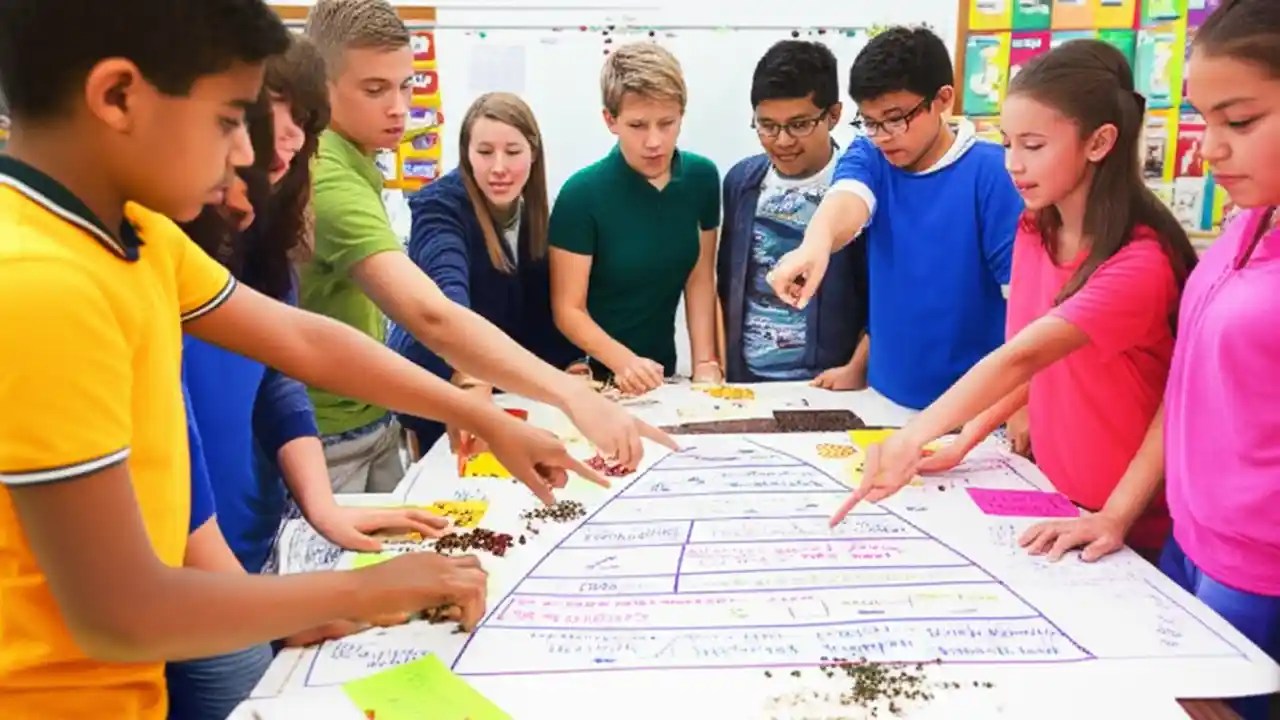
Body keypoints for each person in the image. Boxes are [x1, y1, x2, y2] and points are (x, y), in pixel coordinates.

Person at [0, 2, 608, 717]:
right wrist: (354, 591)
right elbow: (119, 612)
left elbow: (304, 341)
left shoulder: (138, 234)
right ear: (118, 97)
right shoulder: (40, 284)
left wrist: (485, 415)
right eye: (229, 120)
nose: (245, 155)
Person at [828, 41, 1199, 567]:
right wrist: (963, 441)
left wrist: (911, 438)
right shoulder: (1034, 227)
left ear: (1099, 142)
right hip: (1057, 495)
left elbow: (1023, 357)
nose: (1013, 164)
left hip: (1131, 526)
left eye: (1033, 145)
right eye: (1006, 143)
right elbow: (1036, 362)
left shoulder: (1139, 262)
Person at [167, 40, 441, 720]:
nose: (280, 152)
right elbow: (174, 451)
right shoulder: (149, 250)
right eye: (263, 128)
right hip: (192, 581)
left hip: (252, 550)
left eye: (298, 140)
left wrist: (323, 509)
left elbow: (279, 378)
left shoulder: (259, 236)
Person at [301, 0, 671, 492]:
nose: (399, 107)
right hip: (329, 434)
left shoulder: (362, 164)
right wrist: (566, 396)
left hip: (373, 418)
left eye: (406, 85)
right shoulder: (341, 183)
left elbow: (539, 311)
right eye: (374, 89)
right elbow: (436, 311)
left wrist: (570, 369)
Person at [767, 27, 1024, 412]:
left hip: (972, 410)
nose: (882, 136)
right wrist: (815, 245)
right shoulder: (871, 154)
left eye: (895, 119)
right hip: (883, 401)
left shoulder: (993, 175)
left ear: (943, 99)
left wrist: (1021, 404)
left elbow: (1025, 305)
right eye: (870, 121)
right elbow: (847, 199)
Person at [1157, 2, 1280, 716]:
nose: (1208, 150)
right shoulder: (1252, 217)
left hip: (1258, 574)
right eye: (1204, 120)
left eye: (1240, 121)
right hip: (1189, 536)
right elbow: (1187, 384)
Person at [390, 92, 584, 454]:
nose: (499, 167)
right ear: (466, 154)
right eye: (484, 152)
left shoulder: (535, 215)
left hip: (509, 398)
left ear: (533, 154)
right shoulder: (437, 208)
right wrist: (470, 377)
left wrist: (573, 367)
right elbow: (448, 297)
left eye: (512, 152)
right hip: (441, 395)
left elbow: (541, 315)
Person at [548, 42, 723, 396]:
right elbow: (568, 309)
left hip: (661, 378)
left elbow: (700, 278)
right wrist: (624, 362)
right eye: (638, 125)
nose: (654, 141)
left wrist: (706, 364)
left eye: (667, 123)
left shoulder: (702, 179)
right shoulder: (581, 195)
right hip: (586, 378)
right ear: (610, 120)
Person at [717, 40, 870, 386]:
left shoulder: (858, 191)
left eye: (799, 124)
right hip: (748, 381)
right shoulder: (741, 182)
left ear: (833, 115)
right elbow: (727, 284)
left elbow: (888, 296)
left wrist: (857, 368)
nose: (782, 141)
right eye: (767, 125)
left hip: (831, 382)